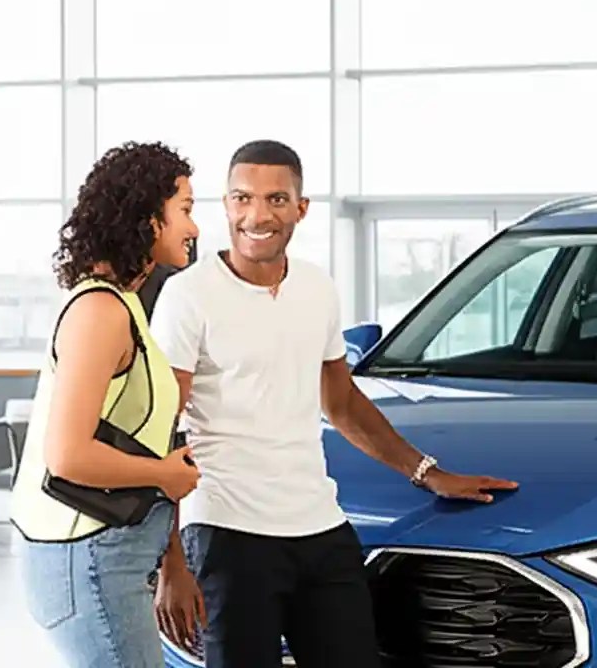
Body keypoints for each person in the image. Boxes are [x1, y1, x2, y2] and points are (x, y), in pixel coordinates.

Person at [149, 139, 519, 667]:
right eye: (242, 198)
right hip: (228, 534)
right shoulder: (189, 295)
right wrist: (171, 564)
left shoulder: (316, 288)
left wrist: (427, 472)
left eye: (276, 200)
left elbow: (341, 400)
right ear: (226, 205)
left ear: (301, 209)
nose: (257, 215)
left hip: (319, 528)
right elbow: (162, 430)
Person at [10, 141, 204, 668]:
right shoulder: (100, 310)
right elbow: (67, 455)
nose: (194, 227)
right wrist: (163, 475)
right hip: (90, 564)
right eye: (184, 209)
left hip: (108, 560)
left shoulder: (123, 305)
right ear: (147, 218)